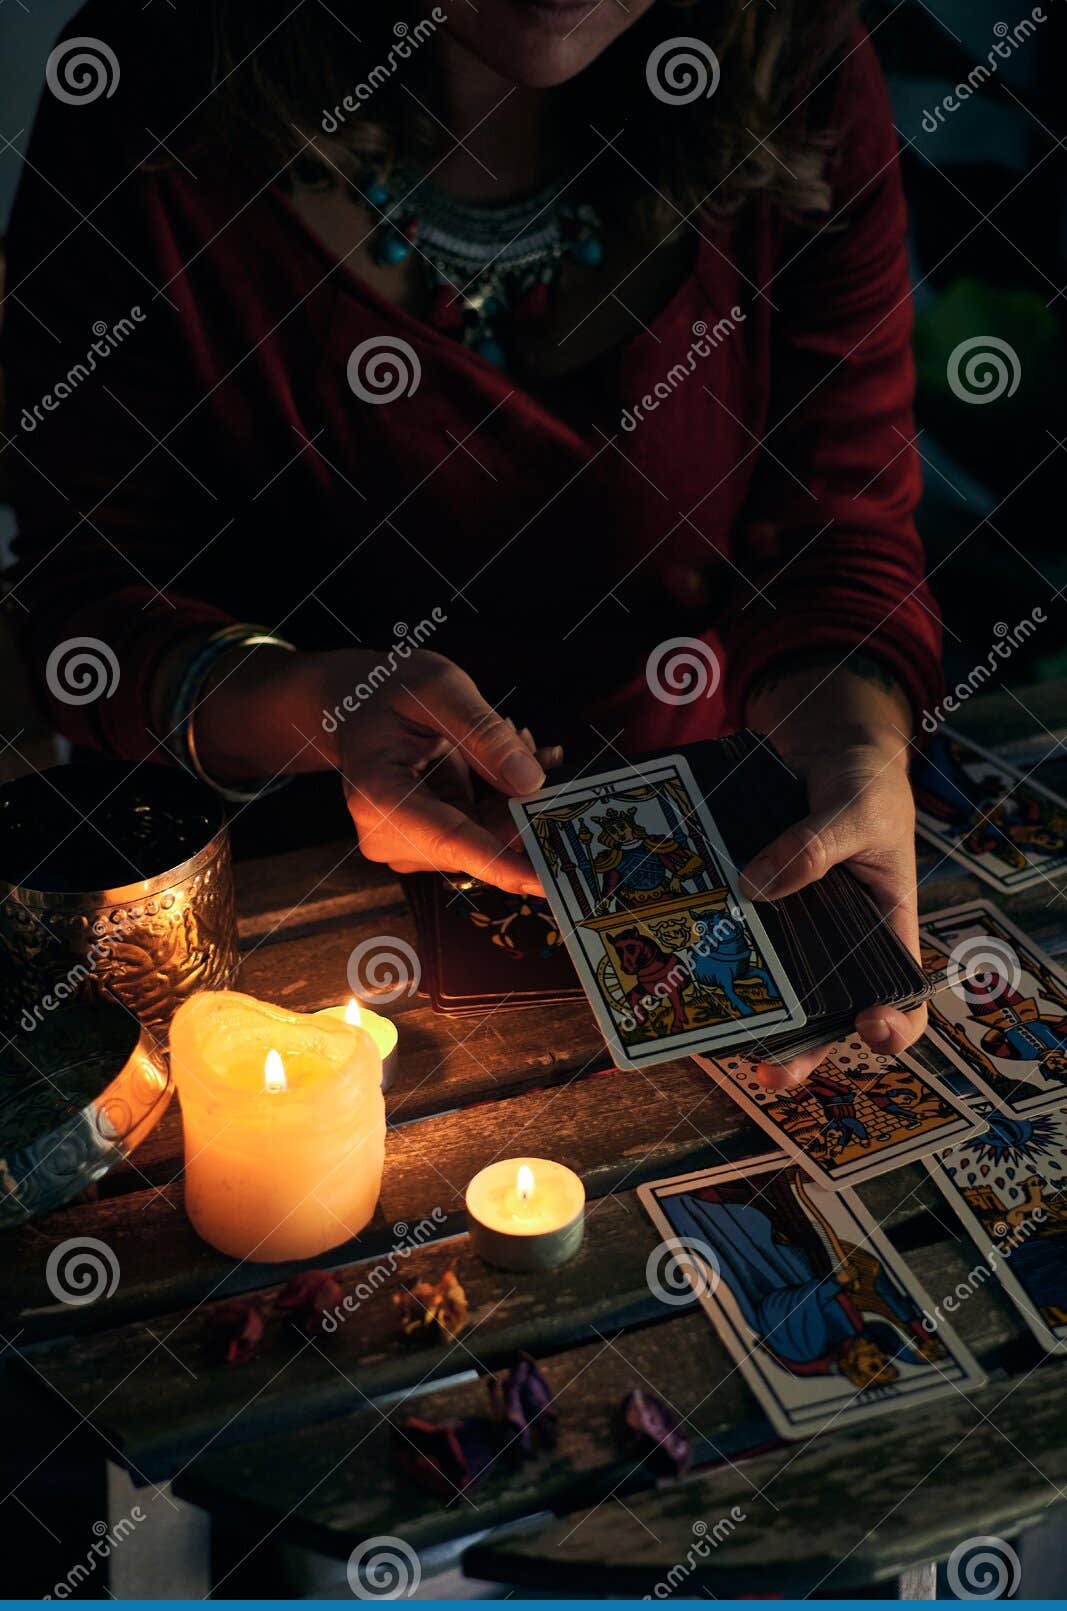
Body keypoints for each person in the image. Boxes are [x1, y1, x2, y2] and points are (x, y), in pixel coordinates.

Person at [2, 0, 939, 1085]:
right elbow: (87, 610)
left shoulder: (794, 56)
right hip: (279, 939)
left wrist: (850, 745)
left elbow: (836, 532)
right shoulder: (147, 80)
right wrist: (317, 709)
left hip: (715, 867)